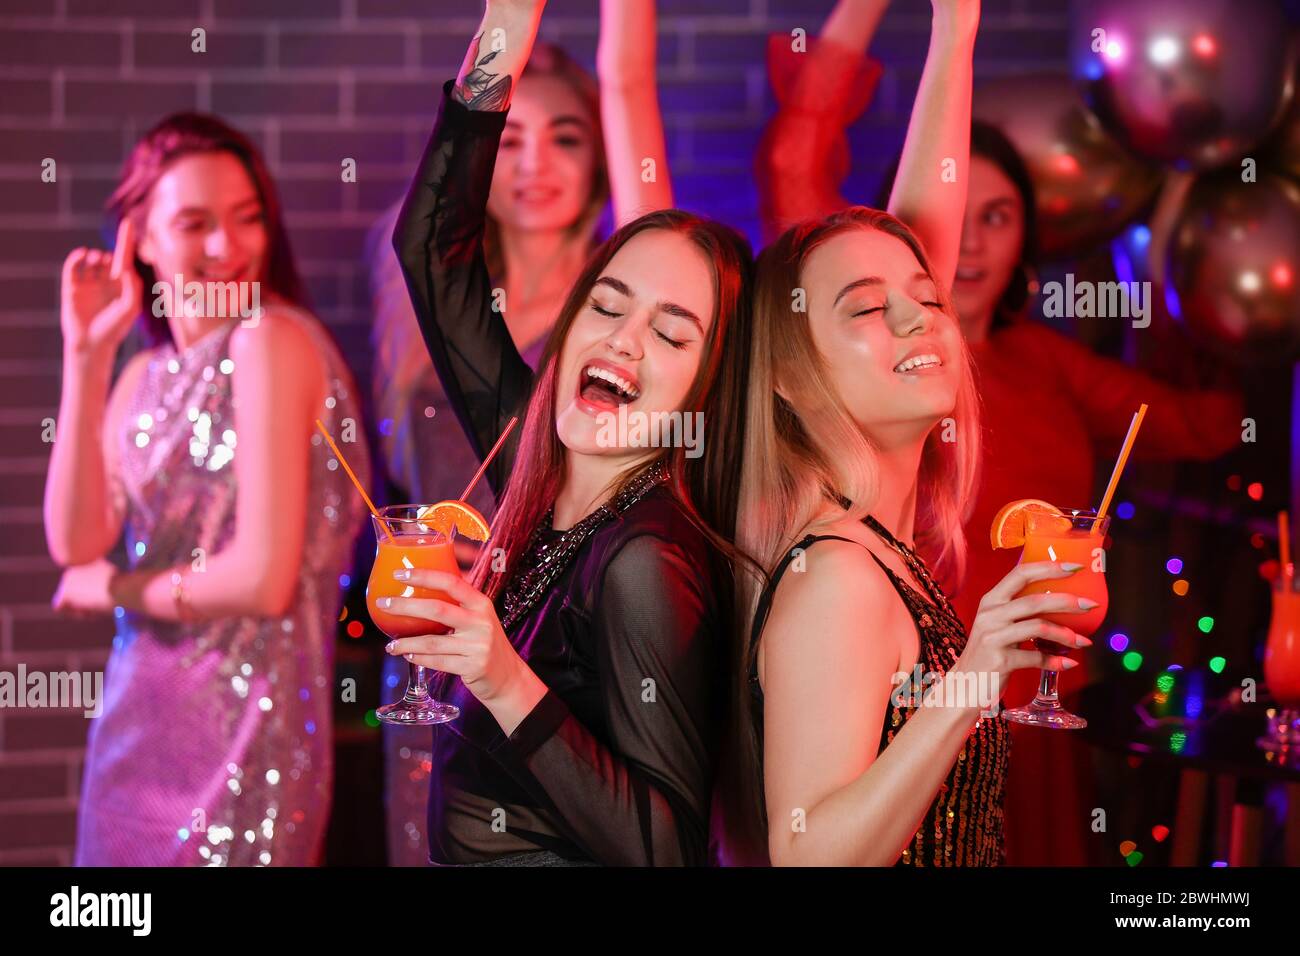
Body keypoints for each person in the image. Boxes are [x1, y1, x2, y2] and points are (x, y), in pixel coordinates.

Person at [756, 0, 1242, 862]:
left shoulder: (884, 546)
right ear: (794, 371)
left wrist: (957, 27)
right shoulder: (836, 573)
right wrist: (980, 672)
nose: (921, 316)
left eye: (927, 297)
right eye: (869, 305)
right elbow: (804, 855)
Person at [384, 0, 755, 866]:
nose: (624, 338)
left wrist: (503, 676)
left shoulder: (645, 561)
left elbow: (666, 849)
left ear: (707, 388)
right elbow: (431, 253)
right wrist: (509, 17)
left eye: (670, 333)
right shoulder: (537, 471)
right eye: (608, 304)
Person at [44, 113, 371, 866]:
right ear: (142, 238)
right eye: (195, 223)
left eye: (247, 218)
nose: (228, 246)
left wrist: (117, 588)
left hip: (245, 745)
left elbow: (261, 581)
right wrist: (86, 356)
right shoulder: (139, 376)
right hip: (134, 737)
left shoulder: (271, 340)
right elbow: (73, 541)